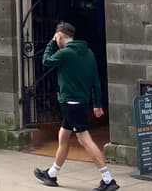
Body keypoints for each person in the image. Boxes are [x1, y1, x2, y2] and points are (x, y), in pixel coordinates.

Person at [33, 22, 117, 191]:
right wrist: (97, 104)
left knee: (84, 139)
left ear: (61, 37)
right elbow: (95, 81)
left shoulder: (65, 53)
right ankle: (52, 174)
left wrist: (51, 43)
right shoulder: (89, 53)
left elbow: (46, 60)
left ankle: (108, 179)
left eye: (57, 38)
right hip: (81, 103)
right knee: (63, 136)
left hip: (71, 103)